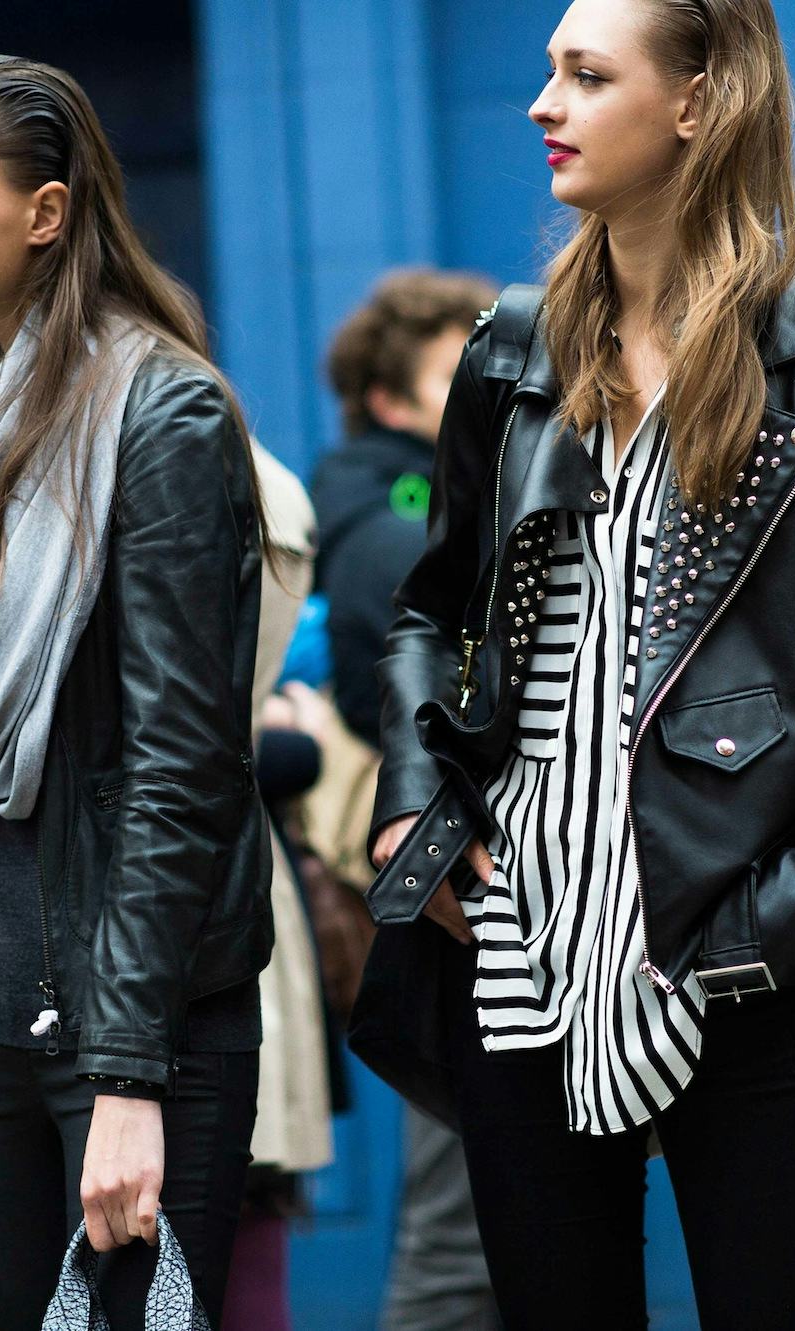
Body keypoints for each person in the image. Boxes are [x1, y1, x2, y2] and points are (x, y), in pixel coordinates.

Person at [360, 2, 795, 1326]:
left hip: (734, 966)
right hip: (519, 948)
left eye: (585, 74)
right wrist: (410, 802)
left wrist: (765, 933)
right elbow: (431, 615)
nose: (543, 103)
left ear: (696, 102)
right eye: (548, 70)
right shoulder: (512, 351)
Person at [0, 56, 272, 1330]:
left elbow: (179, 766)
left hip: (134, 1030)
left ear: (43, 213)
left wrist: (127, 1078)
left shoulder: (162, 415)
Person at [309, 267, 503, 1331]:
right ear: (389, 401)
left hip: (460, 871)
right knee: (464, 1219)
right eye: (456, 375)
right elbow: (426, 632)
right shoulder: (391, 505)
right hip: (449, 881)